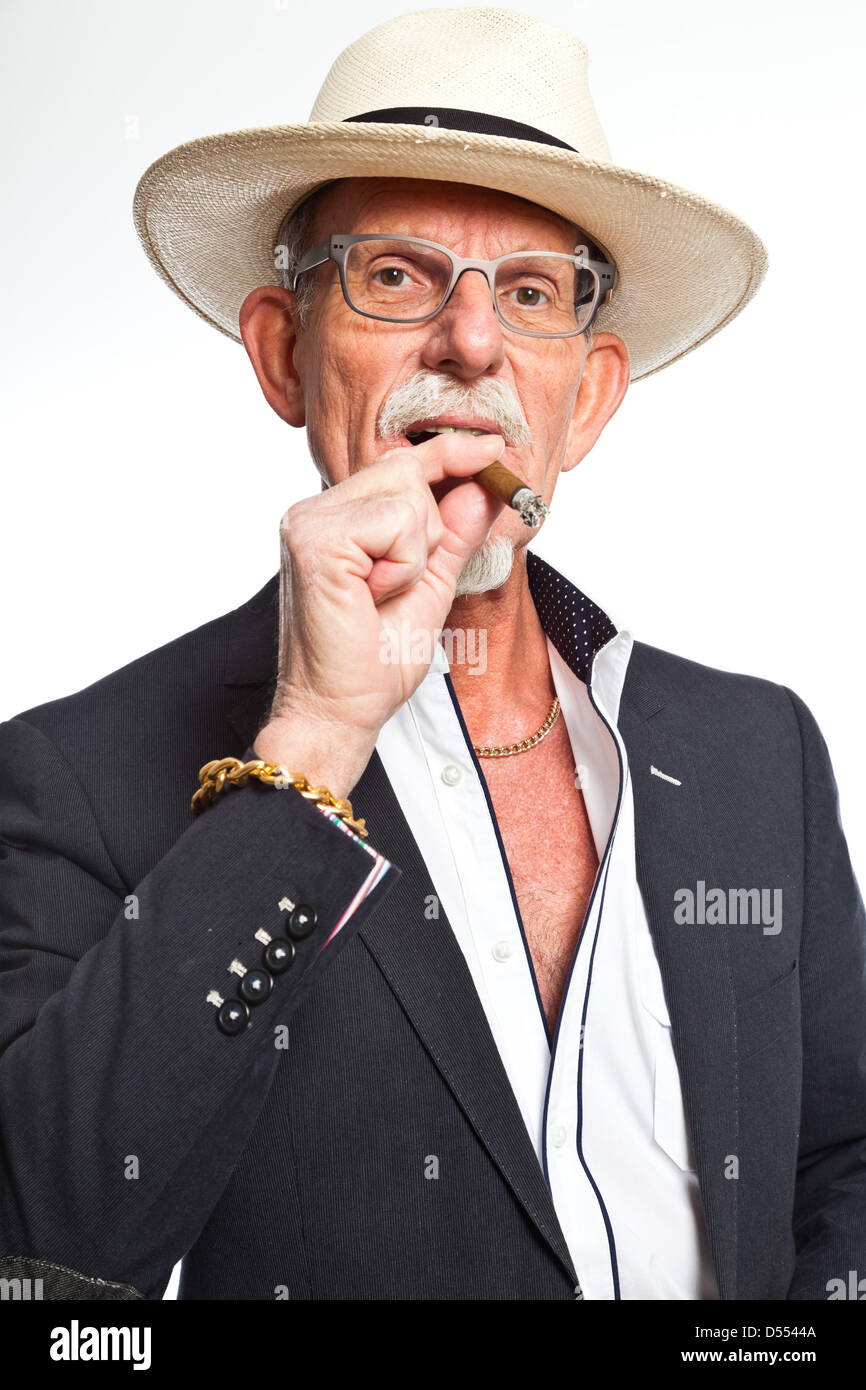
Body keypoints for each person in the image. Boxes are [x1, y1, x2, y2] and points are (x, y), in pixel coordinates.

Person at [0, 6, 863, 1302]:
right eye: (395, 275)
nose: (470, 345)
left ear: (588, 393)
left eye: (529, 294)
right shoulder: (76, 775)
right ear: (284, 354)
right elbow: (47, 1251)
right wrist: (314, 739)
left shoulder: (758, 751)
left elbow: (839, 1161)